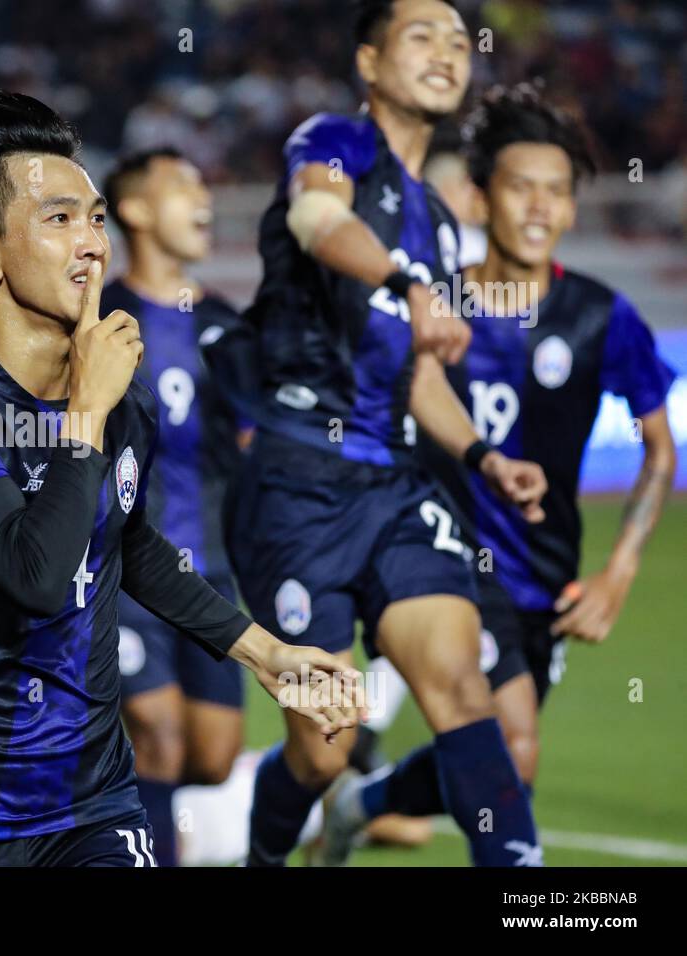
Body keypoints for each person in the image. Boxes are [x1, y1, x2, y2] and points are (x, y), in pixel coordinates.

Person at [0, 87, 363, 867]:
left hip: (89, 795)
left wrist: (266, 653)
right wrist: (87, 412)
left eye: (93, 218)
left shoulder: (121, 398)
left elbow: (125, 539)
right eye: (57, 219)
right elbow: (36, 574)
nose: (90, 242)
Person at [220, 0, 548, 866]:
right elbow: (315, 223)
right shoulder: (333, 142)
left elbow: (423, 375)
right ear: (369, 63)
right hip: (299, 479)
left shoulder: (439, 220)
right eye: (419, 36)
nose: (446, 52)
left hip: (401, 487)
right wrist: (407, 284)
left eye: (455, 40)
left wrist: (485, 456)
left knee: (463, 694)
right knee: (322, 744)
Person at [317, 82, 678, 863]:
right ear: (479, 197)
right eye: (521, 188)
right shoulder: (435, 307)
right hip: (439, 560)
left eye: (558, 191)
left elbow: (658, 447)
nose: (541, 207)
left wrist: (617, 572)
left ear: (576, 207)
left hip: (543, 575)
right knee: (508, 739)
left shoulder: (601, 317)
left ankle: (363, 800)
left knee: (501, 761)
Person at [100, 147, 250, 865]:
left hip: (212, 571)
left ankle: (98, 808)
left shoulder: (221, 321)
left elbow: (257, 439)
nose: (204, 200)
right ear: (133, 210)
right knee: (156, 733)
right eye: (184, 185)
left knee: (214, 756)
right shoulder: (97, 317)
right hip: (126, 571)